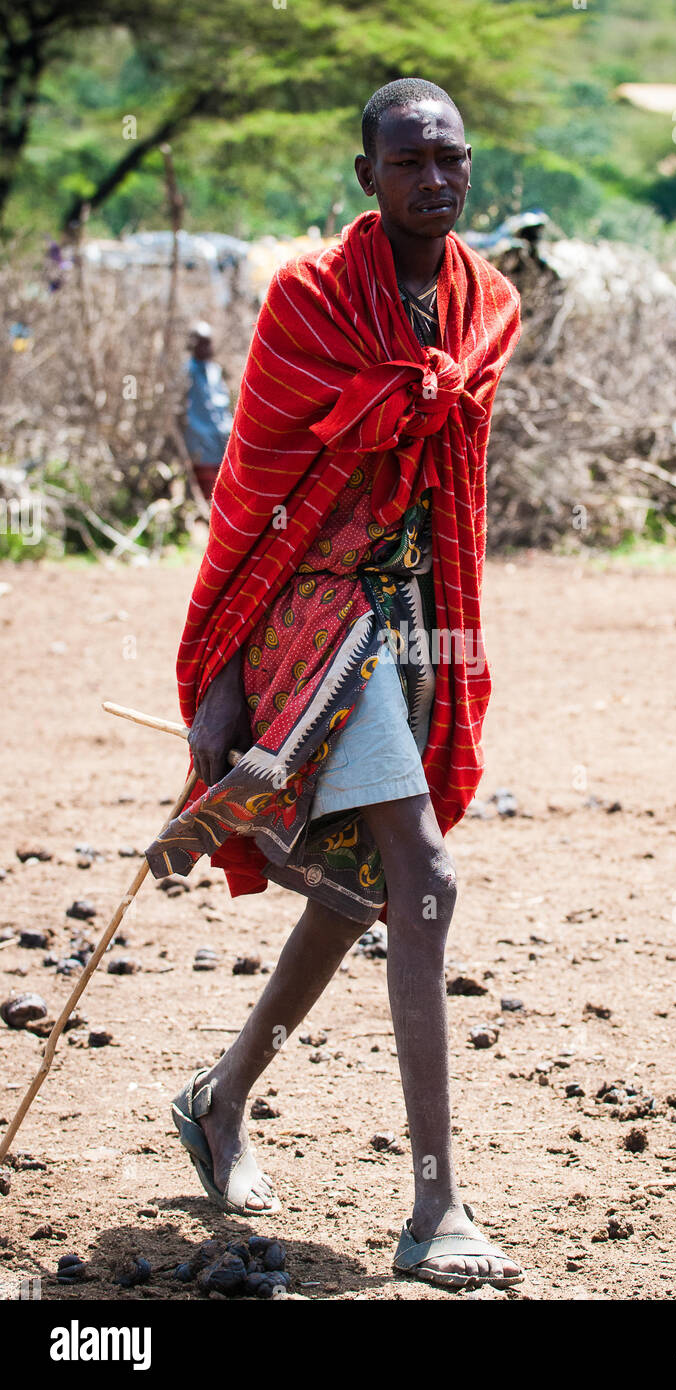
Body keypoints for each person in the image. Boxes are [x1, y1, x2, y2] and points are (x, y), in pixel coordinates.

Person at [147, 77, 523, 1291]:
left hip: (414, 623)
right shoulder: (309, 301)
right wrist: (220, 683)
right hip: (307, 613)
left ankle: (217, 1100)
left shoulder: (485, 307)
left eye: (452, 159)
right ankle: (435, 1209)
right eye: (409, 161)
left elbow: (447, 490)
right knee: (424, 873)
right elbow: (250, 496)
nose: (436, 179)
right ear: (365, 175)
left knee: (366, 891)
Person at [181, 321, 233, 499]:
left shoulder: (215, 371)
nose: (205, 347)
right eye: (201, 342)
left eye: (207, 342)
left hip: (222, 444)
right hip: (201, 447)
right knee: (207, 494)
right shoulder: (186, 372)